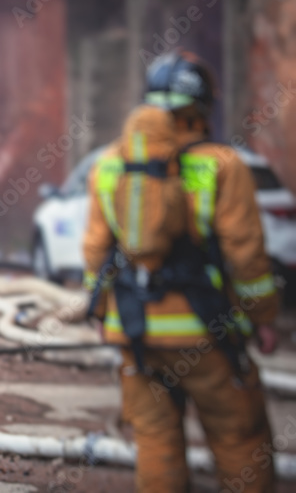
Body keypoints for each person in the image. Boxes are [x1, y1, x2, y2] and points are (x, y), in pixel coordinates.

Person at [83, 51, 279, 492]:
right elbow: (246, 256)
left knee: (155, 441)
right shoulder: (223, 166)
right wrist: (264, 317)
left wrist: (101, 312)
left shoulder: (109, 165)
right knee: (239, 438)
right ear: (204, 106)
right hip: (205, 332)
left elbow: (95, 250)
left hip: (133, 332)